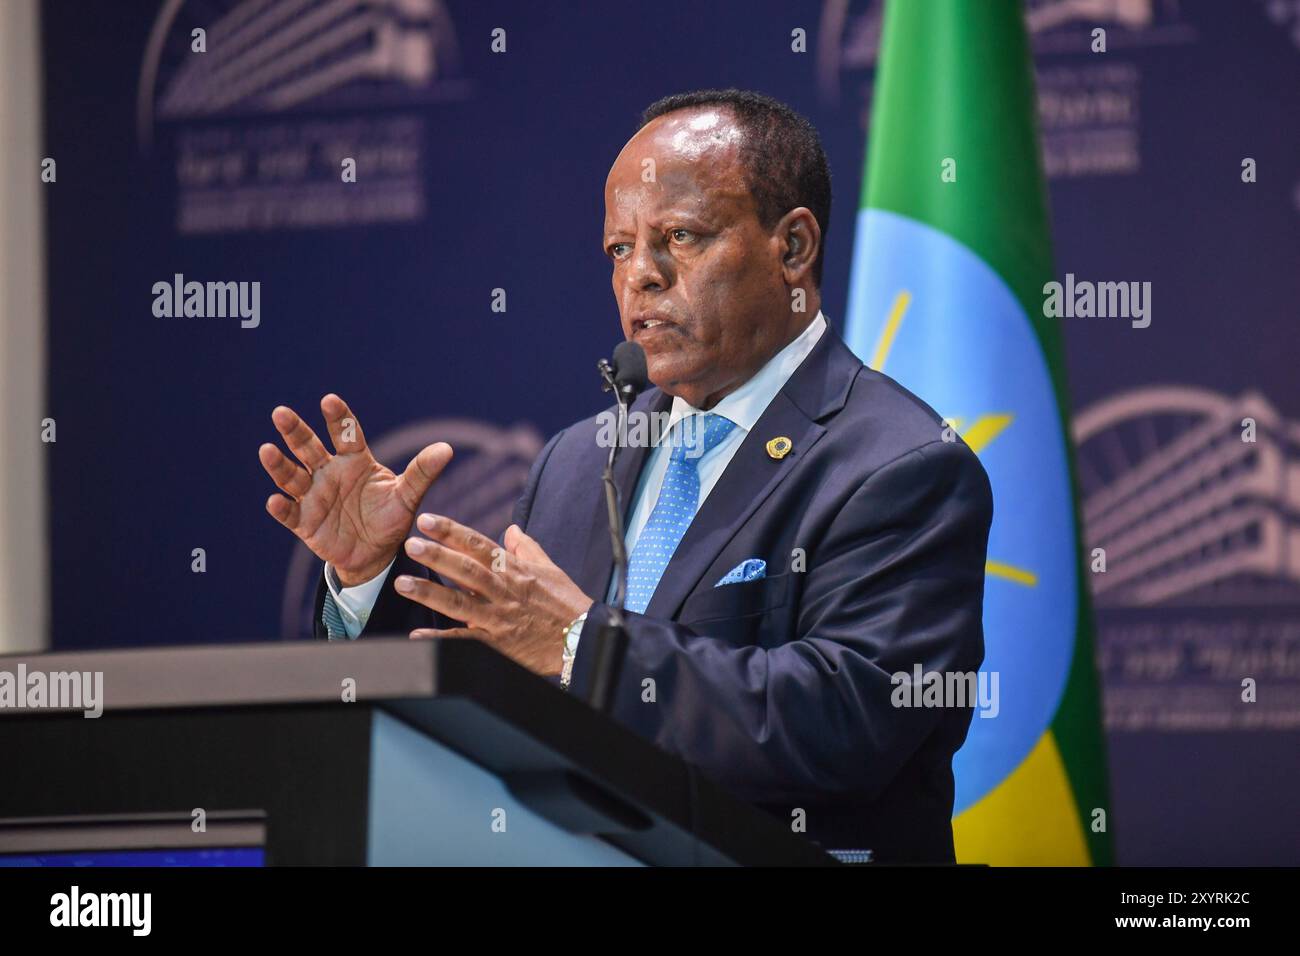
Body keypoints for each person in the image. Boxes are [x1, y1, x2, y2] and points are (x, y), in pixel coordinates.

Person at [258, 89, 992, 862]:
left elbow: (844, 723)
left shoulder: (901, 465)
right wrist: (369, 581)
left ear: (794, 248)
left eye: (680, 236)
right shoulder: (577, 463)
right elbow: (482, 690)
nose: (641, 276)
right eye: (620, 249)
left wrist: (584, 648)